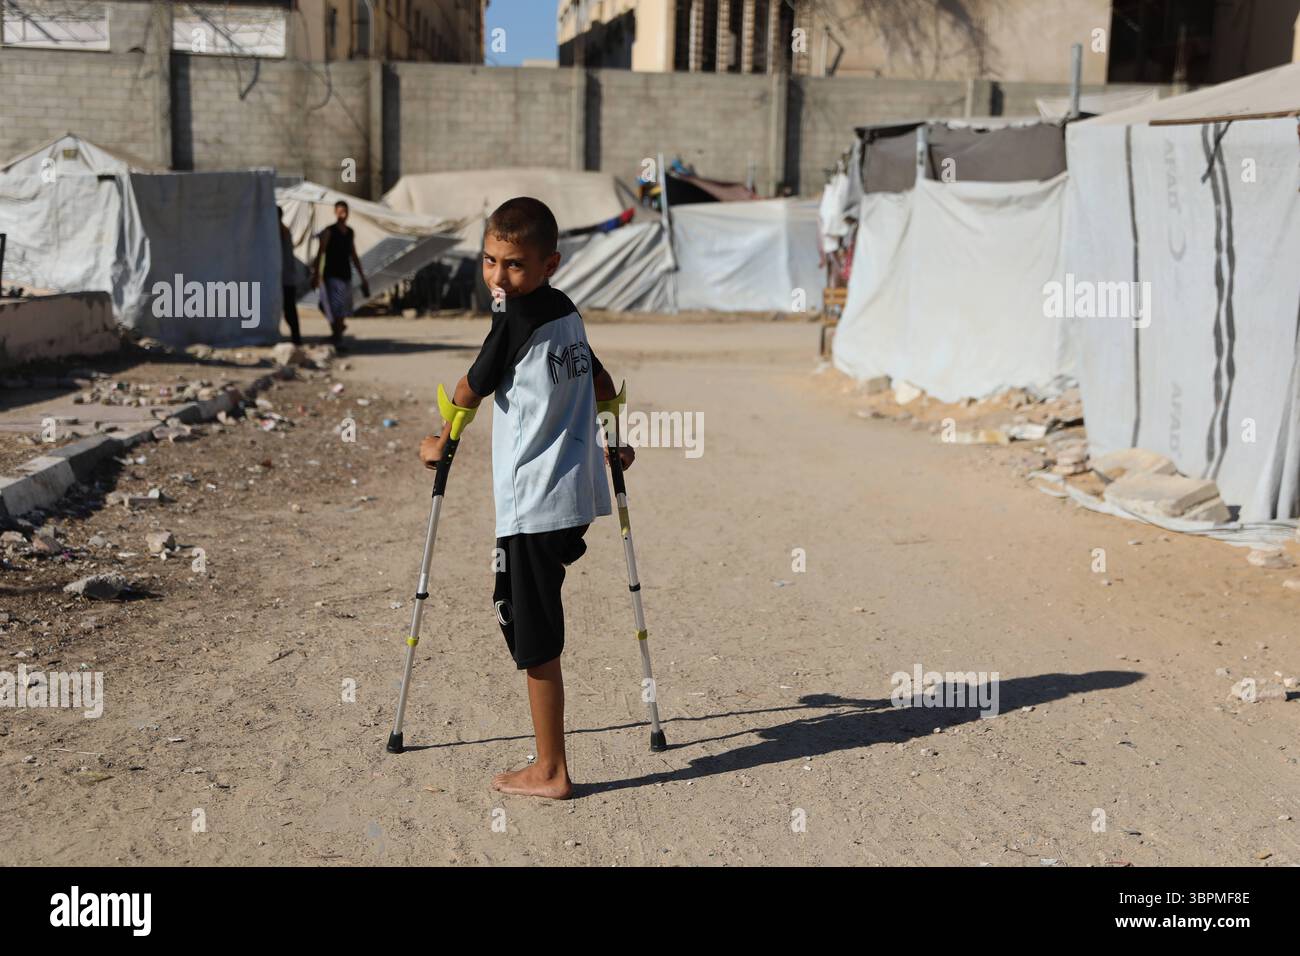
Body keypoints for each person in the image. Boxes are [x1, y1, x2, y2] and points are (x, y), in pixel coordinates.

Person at [418, 197, 633, 800]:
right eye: (489, 261)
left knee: (533, 630)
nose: (497, 277)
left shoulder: (513, 320)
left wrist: (438, 440)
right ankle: (549, 759)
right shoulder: (567, 312)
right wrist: (613, 440)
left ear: (548, 263)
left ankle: (552, 770)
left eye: (513, 264)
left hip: (534, 502)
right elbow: (600, 381)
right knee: (516, 607)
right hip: (574, 495)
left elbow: (468, 388)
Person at [310, 200, 369, 350]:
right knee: (328, 305)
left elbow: (353, 255)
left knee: (341, 308)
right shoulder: (329, 231)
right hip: (331, 275)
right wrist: (317, 274)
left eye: (345, 211)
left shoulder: (349, 232)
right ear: (335, 212)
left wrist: (362, 276)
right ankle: (337, 332)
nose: (343, 214)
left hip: (345, 274)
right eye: (340, 211)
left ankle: (338, 336)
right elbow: (321, 252)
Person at [278, 206, 302, 346]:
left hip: (285, 279)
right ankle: (295, 337)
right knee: (289, 309)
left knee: (289, 310)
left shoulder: (282, 232)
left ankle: (296, 337)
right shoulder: (283, 231)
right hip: (286, 278)